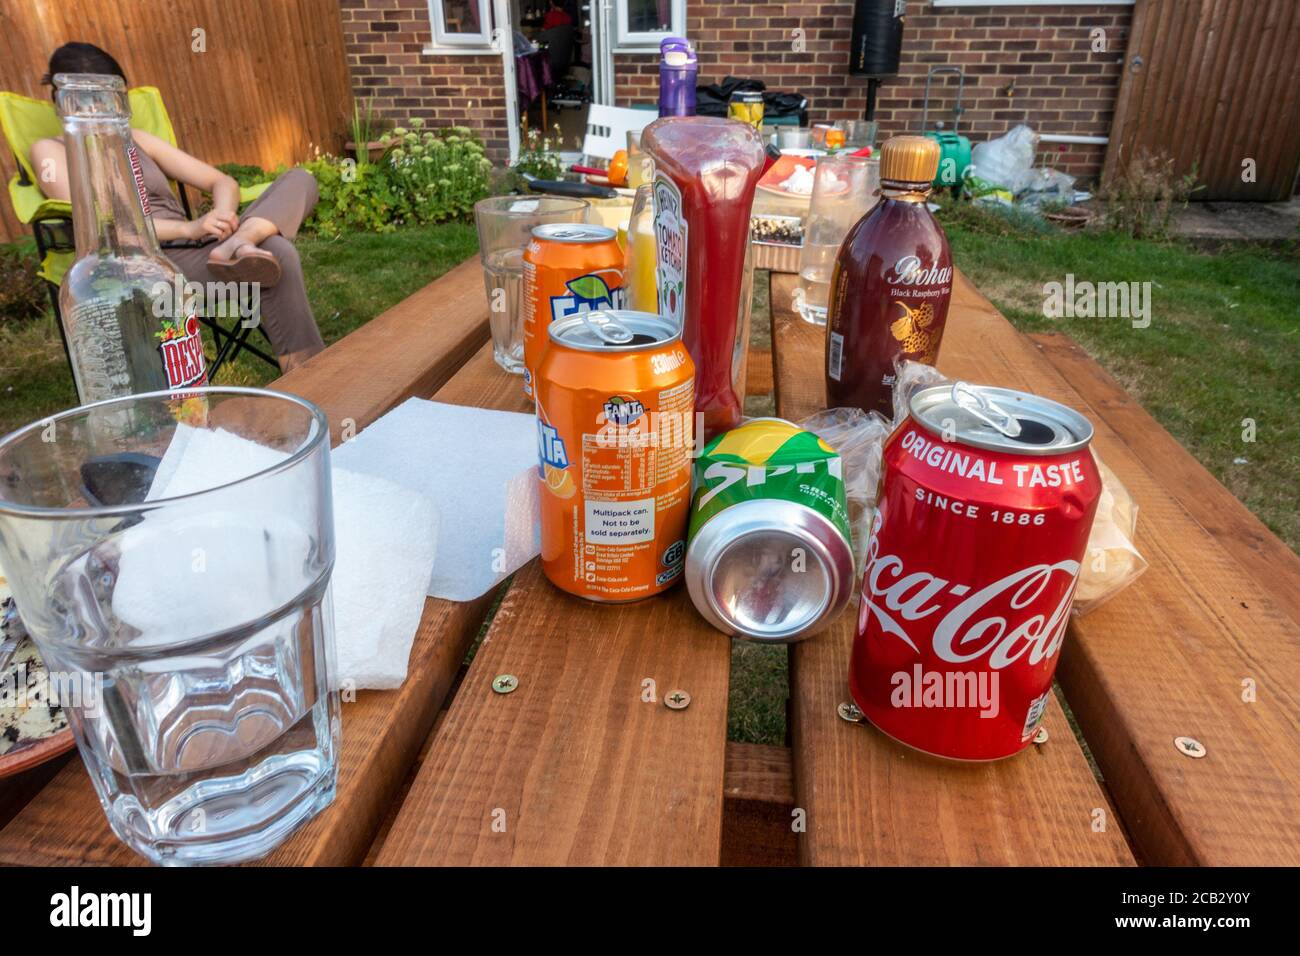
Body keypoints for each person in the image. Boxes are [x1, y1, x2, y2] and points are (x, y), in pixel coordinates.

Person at [31, 42, 325, 372]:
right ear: (60, 99)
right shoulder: (52, 151)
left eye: (113, 97)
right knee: (276, 252)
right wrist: (190, 227)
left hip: (205, 244)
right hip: (151, 263)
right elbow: (103, 226)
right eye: (93, 98)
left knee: (301, 178)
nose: (104, 108)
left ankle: (239, 242)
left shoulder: (137, 139)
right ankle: (310, 374)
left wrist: (224, 216)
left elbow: (222, 182)